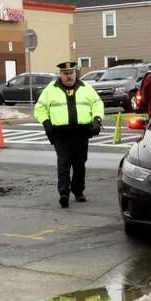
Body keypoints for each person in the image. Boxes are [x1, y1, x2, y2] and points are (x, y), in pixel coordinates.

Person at [34, 61, 104, 208]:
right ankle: (63, 193)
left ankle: (78, 191)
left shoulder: (86, 88)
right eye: (65, 74)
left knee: (79, 164)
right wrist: (46, 122)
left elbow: (98, 104)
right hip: (60, 134)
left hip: (81, 132)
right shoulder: (51, 89)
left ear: (75, 73)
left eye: (71, 73)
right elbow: (40, 108)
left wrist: (97, 120)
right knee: (64, 163)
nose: (68, 77)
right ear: (60, 75)